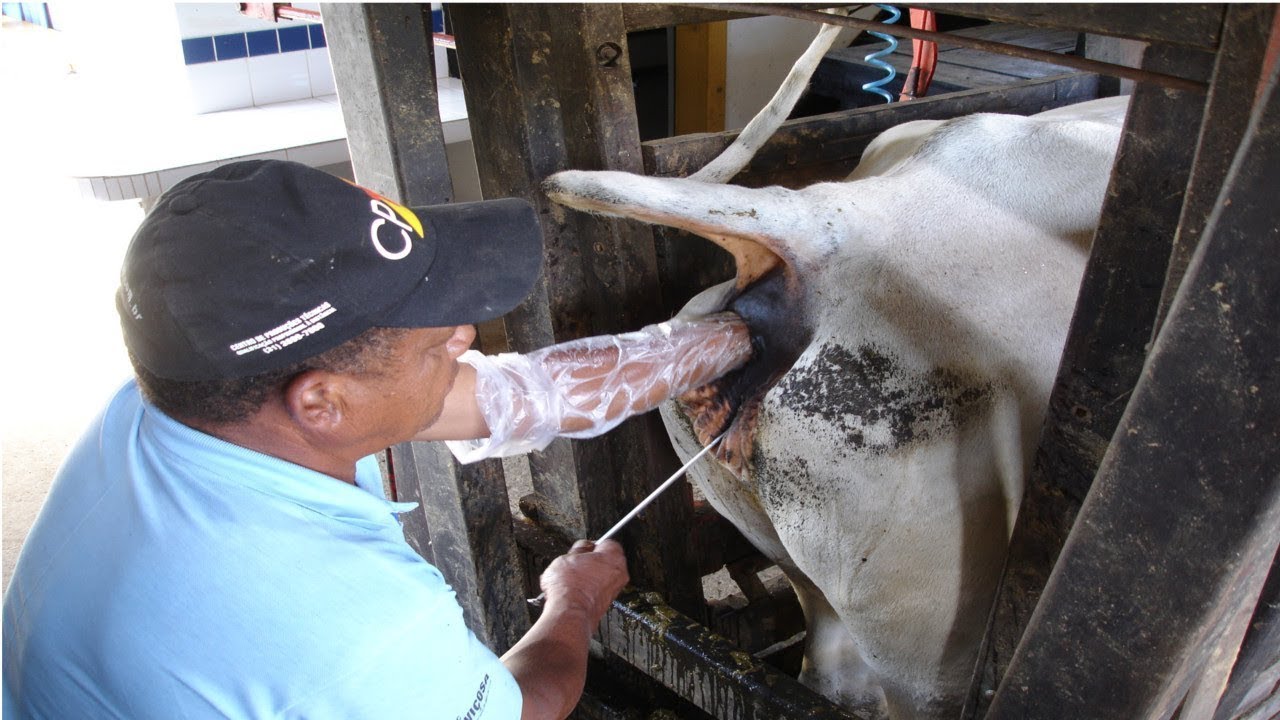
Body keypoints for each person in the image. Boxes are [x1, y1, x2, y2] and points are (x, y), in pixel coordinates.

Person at [2, 160, 753, 719]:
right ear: (323, 402)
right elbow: (529, 704)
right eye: (438, 346)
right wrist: (574, 605)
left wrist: (719, 342)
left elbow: (518, 395)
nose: (465, 336)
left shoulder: (163, 405)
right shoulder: (350, 624)